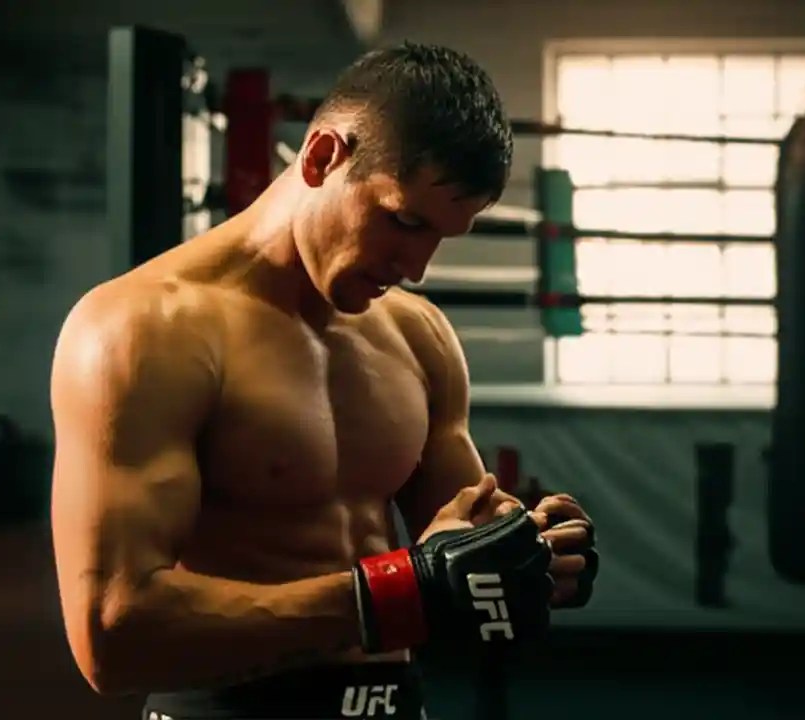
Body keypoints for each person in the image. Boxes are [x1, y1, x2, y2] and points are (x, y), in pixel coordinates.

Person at [49, 41, 599, 720]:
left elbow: (460, 550)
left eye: (441, 238)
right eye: (403, 220)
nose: (417, 266)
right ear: (321, 157)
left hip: (391, 703)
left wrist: (531, 557)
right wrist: (392, 595)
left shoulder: (417, 336)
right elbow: (113, 634)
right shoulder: (142, 330)